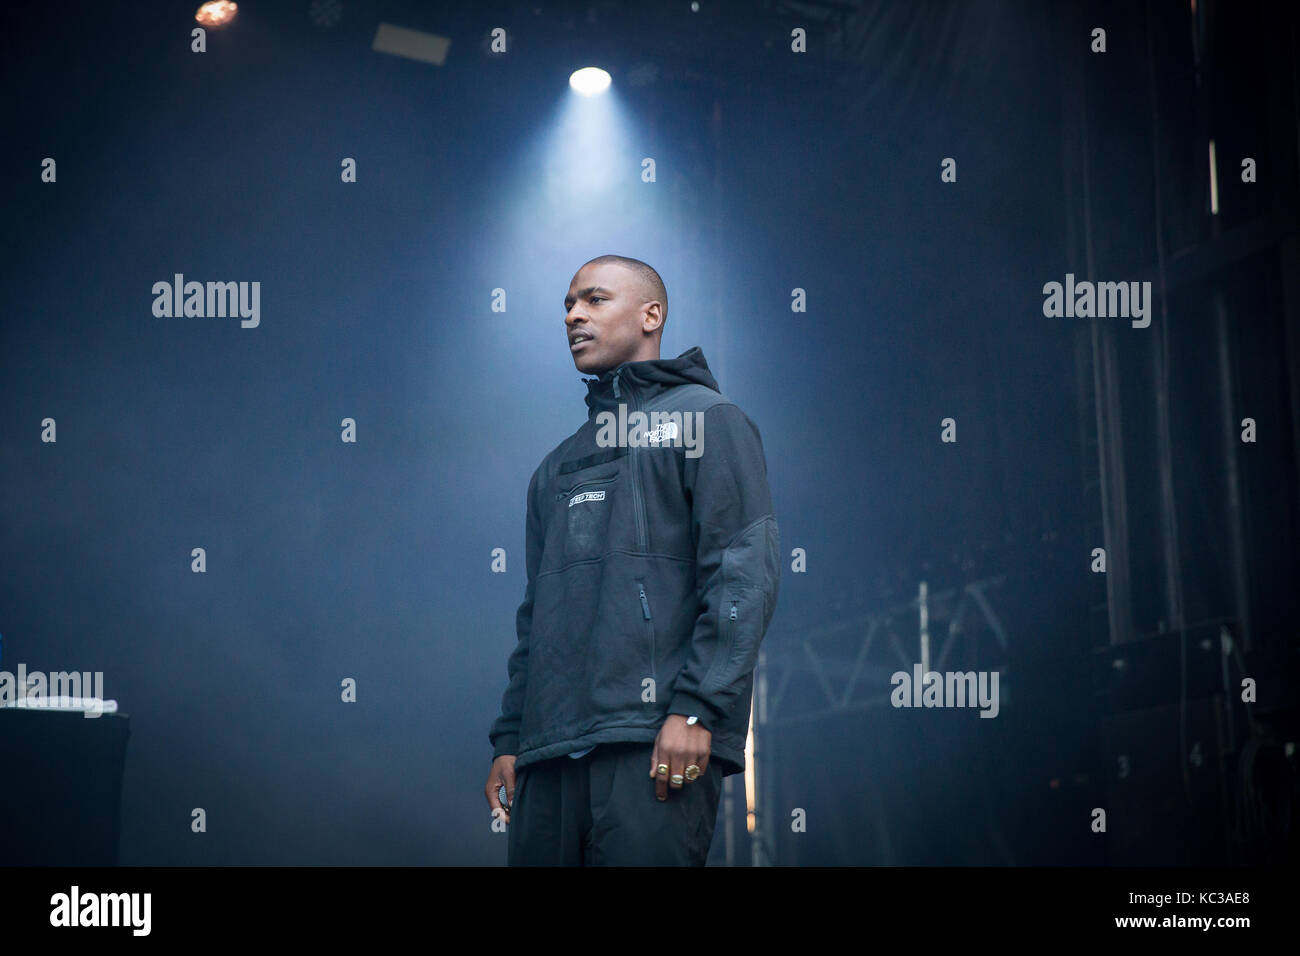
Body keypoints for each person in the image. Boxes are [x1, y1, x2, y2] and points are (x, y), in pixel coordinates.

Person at [484, 255, 780, 865]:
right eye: (568, 304)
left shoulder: (709, 421)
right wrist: (511, 739)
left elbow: (742, 577)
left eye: (593, 300)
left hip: (654, 744)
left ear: (652, 314)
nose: (572, 316)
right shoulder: (554, 468)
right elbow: (533, 616)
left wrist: (698, 712)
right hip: (548, 755)